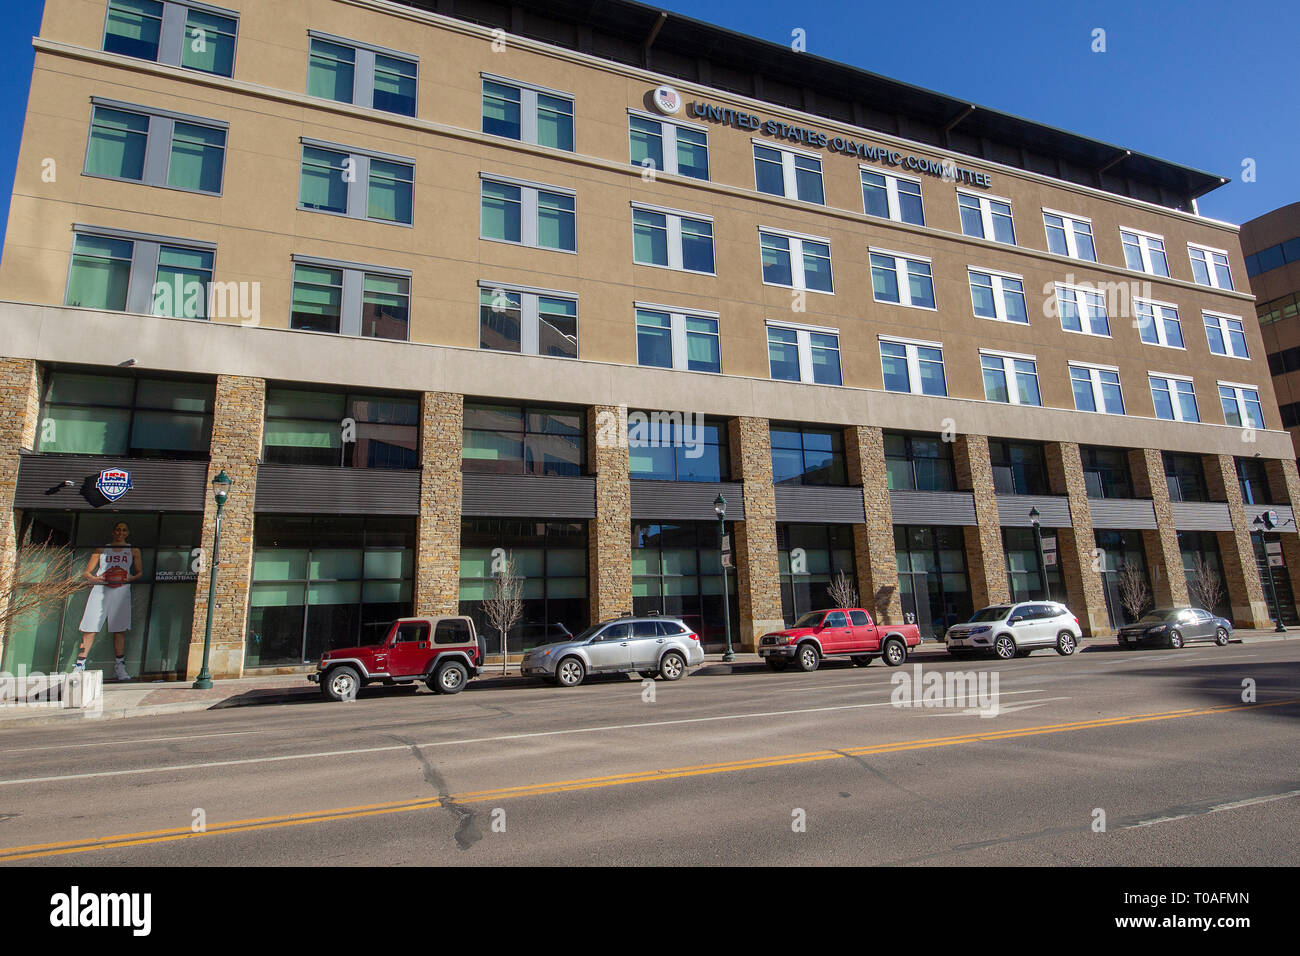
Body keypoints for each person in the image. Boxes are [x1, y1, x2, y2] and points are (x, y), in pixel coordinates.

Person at [74, 521, 143, 681]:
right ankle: (79, 665)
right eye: (118, 529)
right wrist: (94, 578)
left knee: (118, 630)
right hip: (101, 588)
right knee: (89, 628)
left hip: (121, 589)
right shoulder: (102, 549)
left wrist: (131, 577)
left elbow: (139, 572)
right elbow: (87, 573)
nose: (120, 532)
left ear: (127, 533)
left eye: (124, 530)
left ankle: (119, 667)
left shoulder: (133, 550)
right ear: (113, 532)